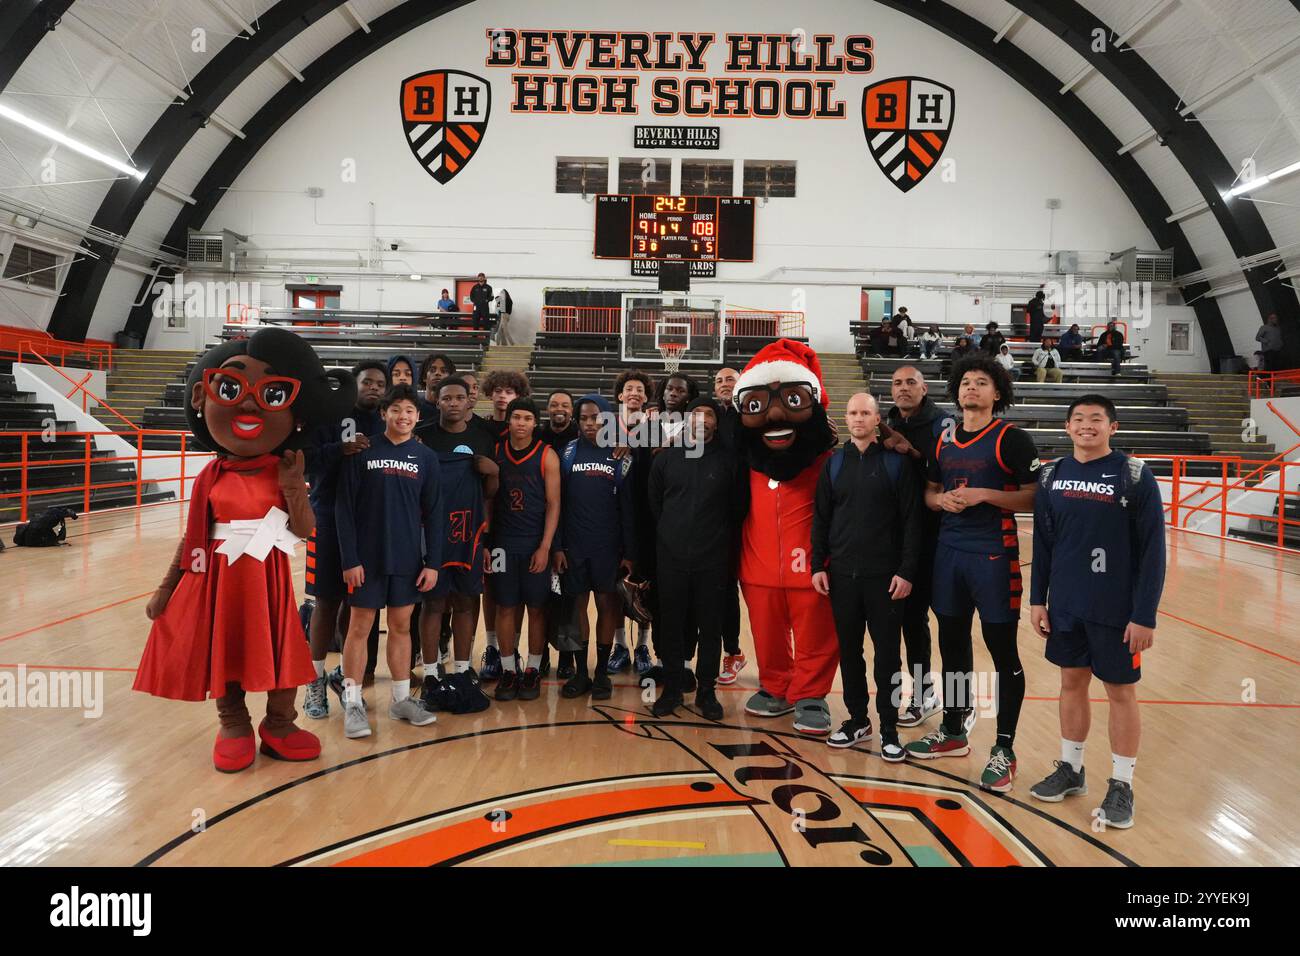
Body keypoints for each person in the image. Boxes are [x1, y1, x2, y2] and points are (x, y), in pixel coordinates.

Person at [134, 328, 355, 772]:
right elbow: (192, 538)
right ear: (203, 396)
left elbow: (305, 530)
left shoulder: (286, 469)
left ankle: (278, 724)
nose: (250, 403)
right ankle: (233, 723)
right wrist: (166, 590)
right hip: (219, 583)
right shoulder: (210, 476)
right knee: (226, 650)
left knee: (281, 652)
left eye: (271, 393)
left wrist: (294, 488)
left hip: (268, 579)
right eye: (231, 388)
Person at [1029, 395, 1166, 829]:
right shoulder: (1052, 475)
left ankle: (1122, 784)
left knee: (1120, 691)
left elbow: (1153, 552)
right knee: (1071, 682)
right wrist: (1038, 599)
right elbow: (1044, 544)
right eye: (1078, 419)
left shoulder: (1134, 475)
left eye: (1096, 419)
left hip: (1117, 610)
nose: (1086, 426)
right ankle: (1072, 770)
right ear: (1067, 428)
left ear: (1113, 427)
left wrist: (1145, 615)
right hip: (1067, 606)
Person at [906, 355, 1041, 795]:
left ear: (997, 393)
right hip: (949, 555)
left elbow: (1036, 498)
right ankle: (953, 729)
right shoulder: (943, 440)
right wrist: (939, 502)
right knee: (953, 645)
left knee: (1003, 653)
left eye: (981, 383)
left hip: (993, 558)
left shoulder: (1012, 439)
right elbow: (928, 493)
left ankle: (1004, 748)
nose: (971, 389)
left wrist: (984, 493)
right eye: (965, 382)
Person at [812, 393, 922, 759]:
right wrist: (817, 565)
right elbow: (821, 520)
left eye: (865, 413)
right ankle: (858, 719)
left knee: (888, 657)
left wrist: (906, 572)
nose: (858, 418)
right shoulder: (834, 463)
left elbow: (912, 523)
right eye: (853, 412)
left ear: (877, 420)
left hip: (885, 579)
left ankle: (889, 727)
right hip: (842, 576)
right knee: (850, 653)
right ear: (846, 418)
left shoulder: (897, 464)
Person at [333, 384, 442, 738]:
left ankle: (400, 700)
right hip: (365, 558)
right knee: (360, 627)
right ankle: (352, 701)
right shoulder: (362, 451)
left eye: (410, 410)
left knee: (400, 626)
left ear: (418, 417)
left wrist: (433, 562)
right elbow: (343, 509)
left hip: (408, 558)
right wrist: (350, 559)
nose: (403, 416)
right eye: (396, 409)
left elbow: (435, 513)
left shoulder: (425, 458)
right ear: (384, 414)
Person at [302, 360, 387, 719]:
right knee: (326, 602)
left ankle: (344, 675)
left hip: (368, 522)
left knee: (358, 604)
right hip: (325, 517)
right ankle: (315, 681)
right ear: (352, 385)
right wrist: (341, 448)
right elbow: (307, 463)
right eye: (367, 382)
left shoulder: (387, 422)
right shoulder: (327, 418)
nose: (374, 388)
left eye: (380, 384)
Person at [647, 398, 742, 720]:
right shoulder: (666, 459)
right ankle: (672, 690)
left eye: (709, 414)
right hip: (670, 558)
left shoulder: (730, 462)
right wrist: (672, 537)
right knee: (672, 627)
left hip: (712, 560)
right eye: (697, 414)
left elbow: (738, 510)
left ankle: (706, 692)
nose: (702, 419)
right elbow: (655, 506)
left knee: (710, 629)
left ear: (717, 422)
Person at [415, 377, 498, 703]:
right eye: (446, 398)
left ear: (469, 403)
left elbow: (490, 494)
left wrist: (494, 473)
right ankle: (432, 671)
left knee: (466, 601)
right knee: (433, 603)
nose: (452, 402)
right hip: (431, 530)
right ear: (437, 402)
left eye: (458, 398)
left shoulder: (483, 436)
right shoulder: (423, 437)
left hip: (470, 531)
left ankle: (463, 668)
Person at [553, 394, 638, 701]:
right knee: (576, 610)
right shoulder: (567, 453)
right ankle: (580, 672)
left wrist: (629, 552)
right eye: (585, 418)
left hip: (608, 547)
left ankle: (602, 673)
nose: (591, 424)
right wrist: (558, 545)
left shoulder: (622, 455)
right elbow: (558, 505)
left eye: (596, 418)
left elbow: (628, 508)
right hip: (574, 546)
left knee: (607, 607)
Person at [884, 365, 952, 727]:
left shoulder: (943, 426)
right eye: (898, 383)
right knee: (903, 620)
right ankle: (912, 694)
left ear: (924, 389)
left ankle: (947, 704)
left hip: (936, 539)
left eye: (911, 382)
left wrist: (915, 456)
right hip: (893, 539)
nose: (904, 388)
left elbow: (950, 473)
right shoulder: (886, 422)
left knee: (943, 624)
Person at [487, 398, 560, 701]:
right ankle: (507, 669)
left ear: (534, 423)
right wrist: (487, 542)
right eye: (516, 417)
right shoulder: (496, 452)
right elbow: (488, 500)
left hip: (533, 542)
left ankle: (531, 669)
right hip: (503, 542)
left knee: (536, 609)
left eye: (527, 418)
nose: (520, 423)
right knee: (505, 606)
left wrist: (545, 546)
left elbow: (554, 504)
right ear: (509, 420)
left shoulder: (547, 456)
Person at [608, 369, 657, 675]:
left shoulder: (656, 427)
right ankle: (619, 645)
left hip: (645, 516)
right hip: (612, 516)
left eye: (640, 388)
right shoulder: (607, 427)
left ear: (646, 396)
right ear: (620, 395)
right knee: (614, 587)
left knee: (644, 587)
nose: (635, 392)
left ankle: (642, 644)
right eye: (630, 388)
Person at [538, 389, 580, 678]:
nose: (559, 408)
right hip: (537, 523)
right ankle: (538, 655)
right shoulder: (538, 436)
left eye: (565, 405)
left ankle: (566, 655)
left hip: (572, 525)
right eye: (554, 404)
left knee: (568, 598)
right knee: (539, 598)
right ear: (547, 409)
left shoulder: (582, 438)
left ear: (572, 410)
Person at [712, 366, 747, 685]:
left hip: (753, 510)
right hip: (717, 513)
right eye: (720, 380)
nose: (725, 384)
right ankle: (732, 651)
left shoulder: (753, 411)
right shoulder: (707, 416)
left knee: (756, 591)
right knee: (725, 588)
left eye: (730, 379)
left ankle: (778, 662)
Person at [419, 353, 456, 417]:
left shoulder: (455, 409)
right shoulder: (414, 407)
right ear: (424, 377)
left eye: (443, 371)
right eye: (432, 370)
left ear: (450, 377)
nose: (437, 373)